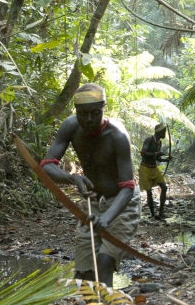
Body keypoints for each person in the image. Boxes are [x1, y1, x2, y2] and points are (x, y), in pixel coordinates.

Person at [40, 83, 141, 287]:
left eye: (94, 113)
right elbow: (46, 166)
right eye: (82, 113)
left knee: (104, 262)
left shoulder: (118, 136)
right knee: (85, 273)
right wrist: (73, 178)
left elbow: (128, 186)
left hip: (121, 204)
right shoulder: (70, 127)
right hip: (93, 203)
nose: (88, 120)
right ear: (75, 111)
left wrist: (106, 218)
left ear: (104, 107)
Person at [139, 123, 168, 220]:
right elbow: (143, 153)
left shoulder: (159, 142)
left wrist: (166, 159)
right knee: (149, 192)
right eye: (164, 132)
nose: (165, 134)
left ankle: (161, 212)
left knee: (164, 188)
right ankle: (152, 214)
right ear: (159, 132)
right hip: (145, 168)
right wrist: (156, 153)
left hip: (154, 168)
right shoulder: (149, 140)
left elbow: (158, 158)